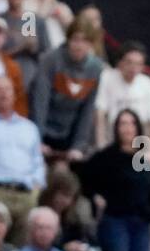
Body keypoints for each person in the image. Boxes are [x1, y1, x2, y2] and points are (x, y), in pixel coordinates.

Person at [77, 108, 150, 251]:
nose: (128, 128)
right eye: (123, 123)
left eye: (132, 124)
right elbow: (84, 178)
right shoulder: (105, 158)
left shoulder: (143, 160)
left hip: (140, 224)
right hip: (115, 220)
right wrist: (94, 197)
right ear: (116, 128)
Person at [0, 74, 44, 243]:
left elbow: (38, 161)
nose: (3, 93)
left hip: (26, 195)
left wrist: (36, 188)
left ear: (14, 94)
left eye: (7, 89)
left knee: (22, 250)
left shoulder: (29, 128)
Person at [31, 23, 102, 159]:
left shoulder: (96, 68)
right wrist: (37, 140)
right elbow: (40, 103)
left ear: (91, 44)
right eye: (75, 39)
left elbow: (87, 111)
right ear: (68, 40)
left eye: (85, 41)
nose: (79, 45)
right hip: (45, 129)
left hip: (68, 133)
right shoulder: (50, 59)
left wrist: (78, 146)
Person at [93, 42, 150, 149]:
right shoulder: (107, 78)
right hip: (113, 139)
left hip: (139, 141)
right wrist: (101, 146)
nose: (133, 68)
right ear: (120, 62)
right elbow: (100, 114)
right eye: (129, 62)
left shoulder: (147, 83)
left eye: (138, 64)